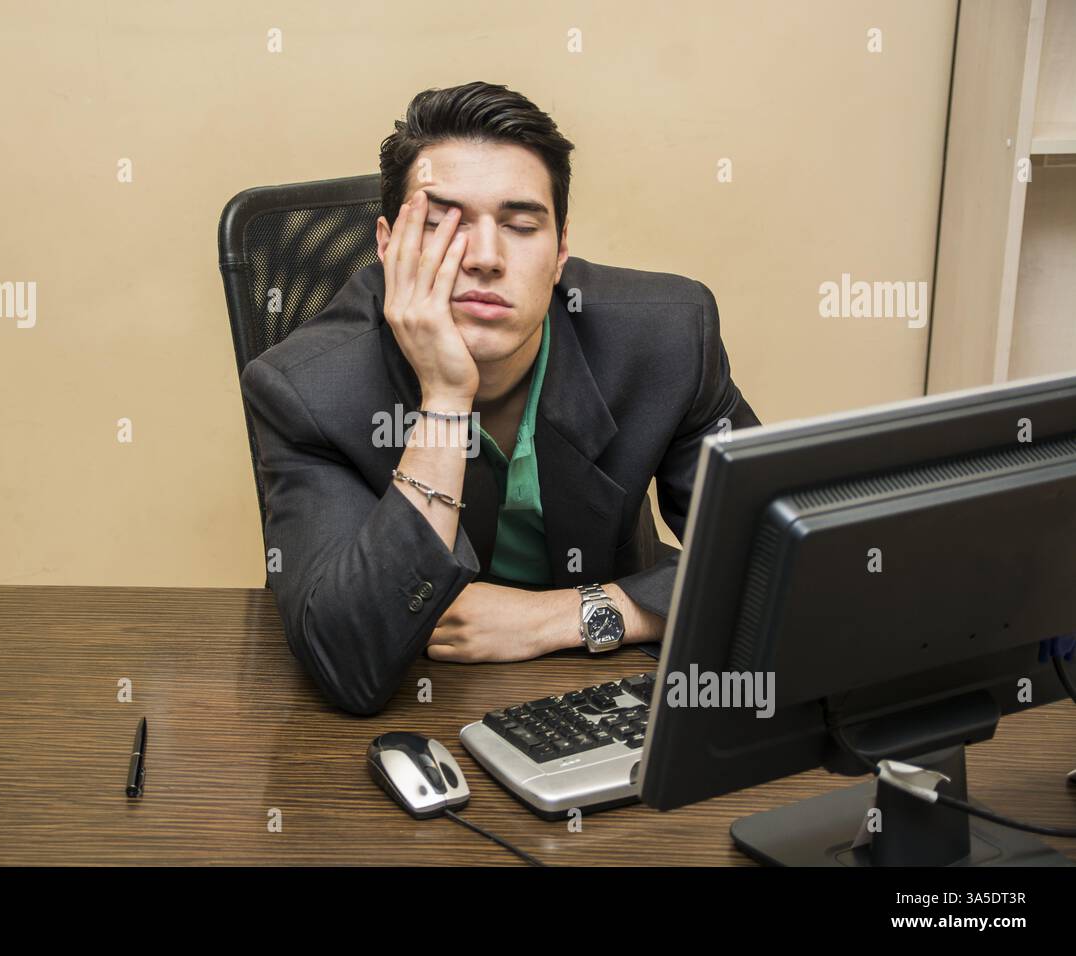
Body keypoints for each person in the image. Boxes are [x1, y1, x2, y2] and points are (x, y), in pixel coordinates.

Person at [240, 81, 759, 715]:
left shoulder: (667, 336)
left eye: (519, 226)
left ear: (561, 249)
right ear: (387, 245)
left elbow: (774, 558)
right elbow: (348, 662)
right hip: (429, 707)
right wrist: (444, 397)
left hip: (611, 692)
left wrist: (572, 615)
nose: (484, 258)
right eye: (442, 225)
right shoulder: (304, 390)